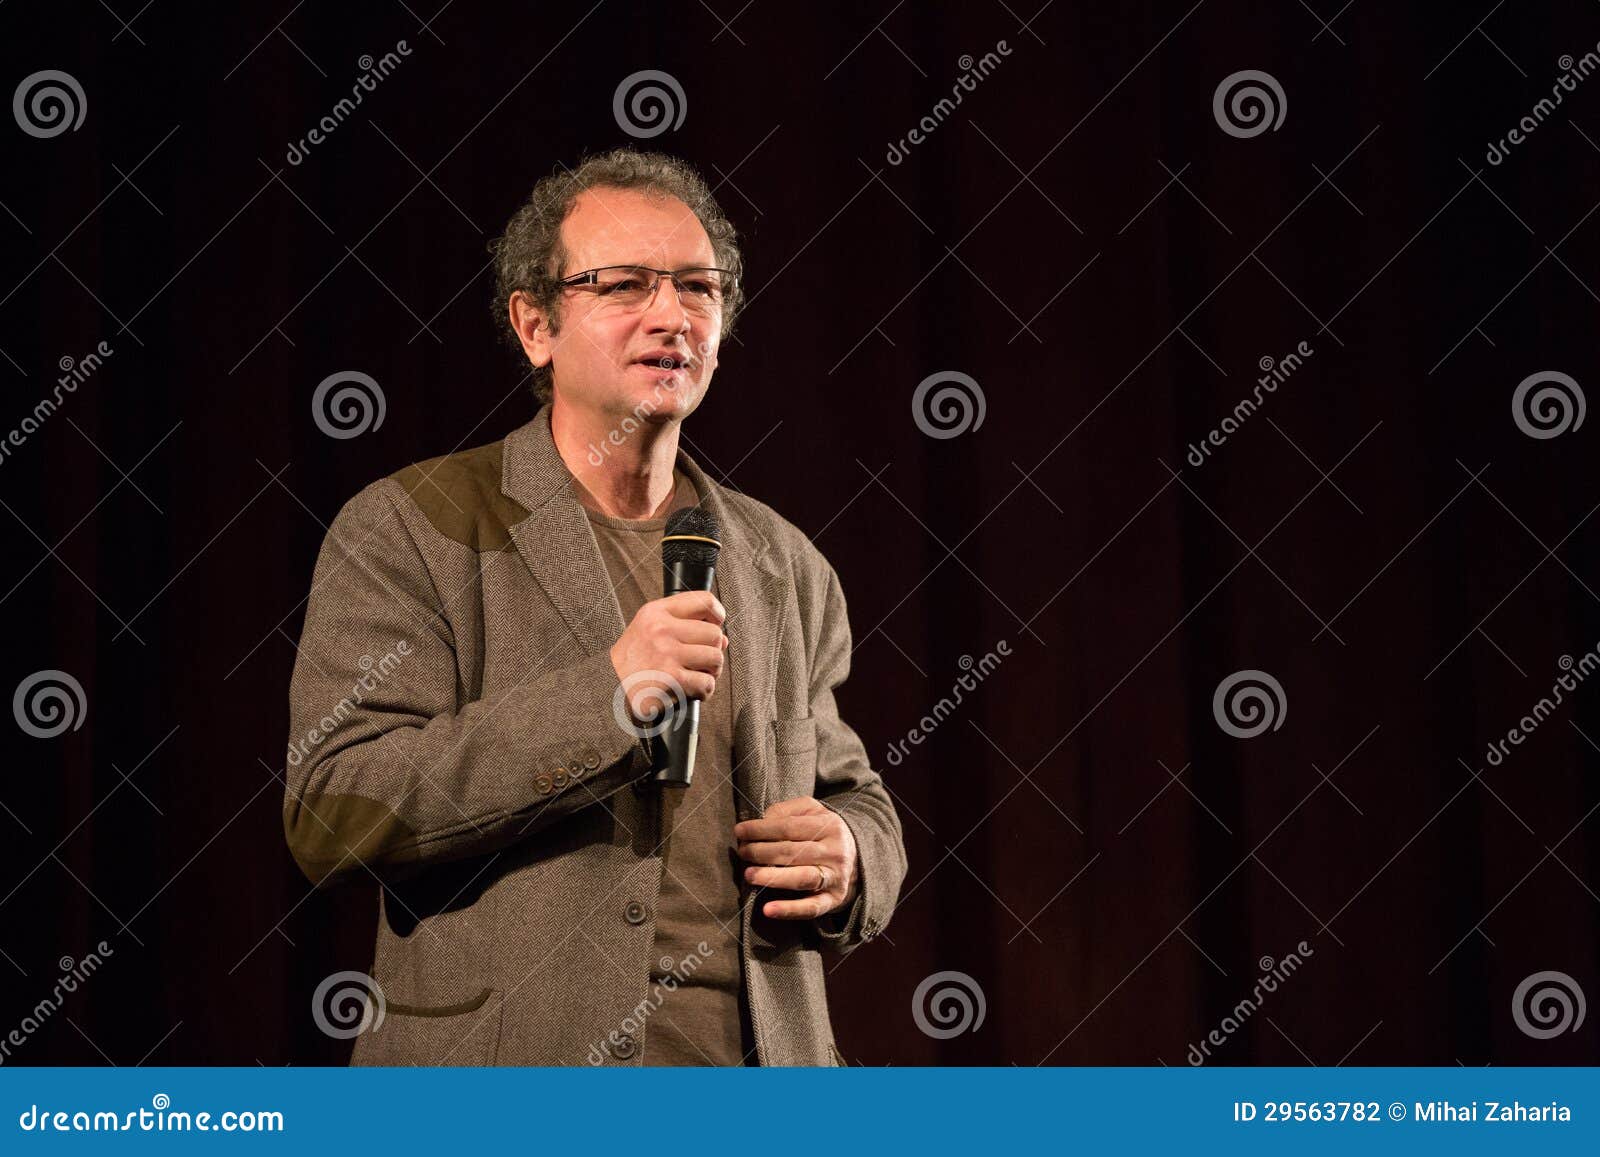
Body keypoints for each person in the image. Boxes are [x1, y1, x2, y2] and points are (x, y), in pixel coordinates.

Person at [283, 147, 906, 1066]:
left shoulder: (783, 563)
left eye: (700, 286)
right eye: (624, 284)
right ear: (535, 324)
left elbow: (856, 794)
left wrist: (851, 853)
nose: (672, 314)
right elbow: (335, 804)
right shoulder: (412, 527)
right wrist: (606, 696)